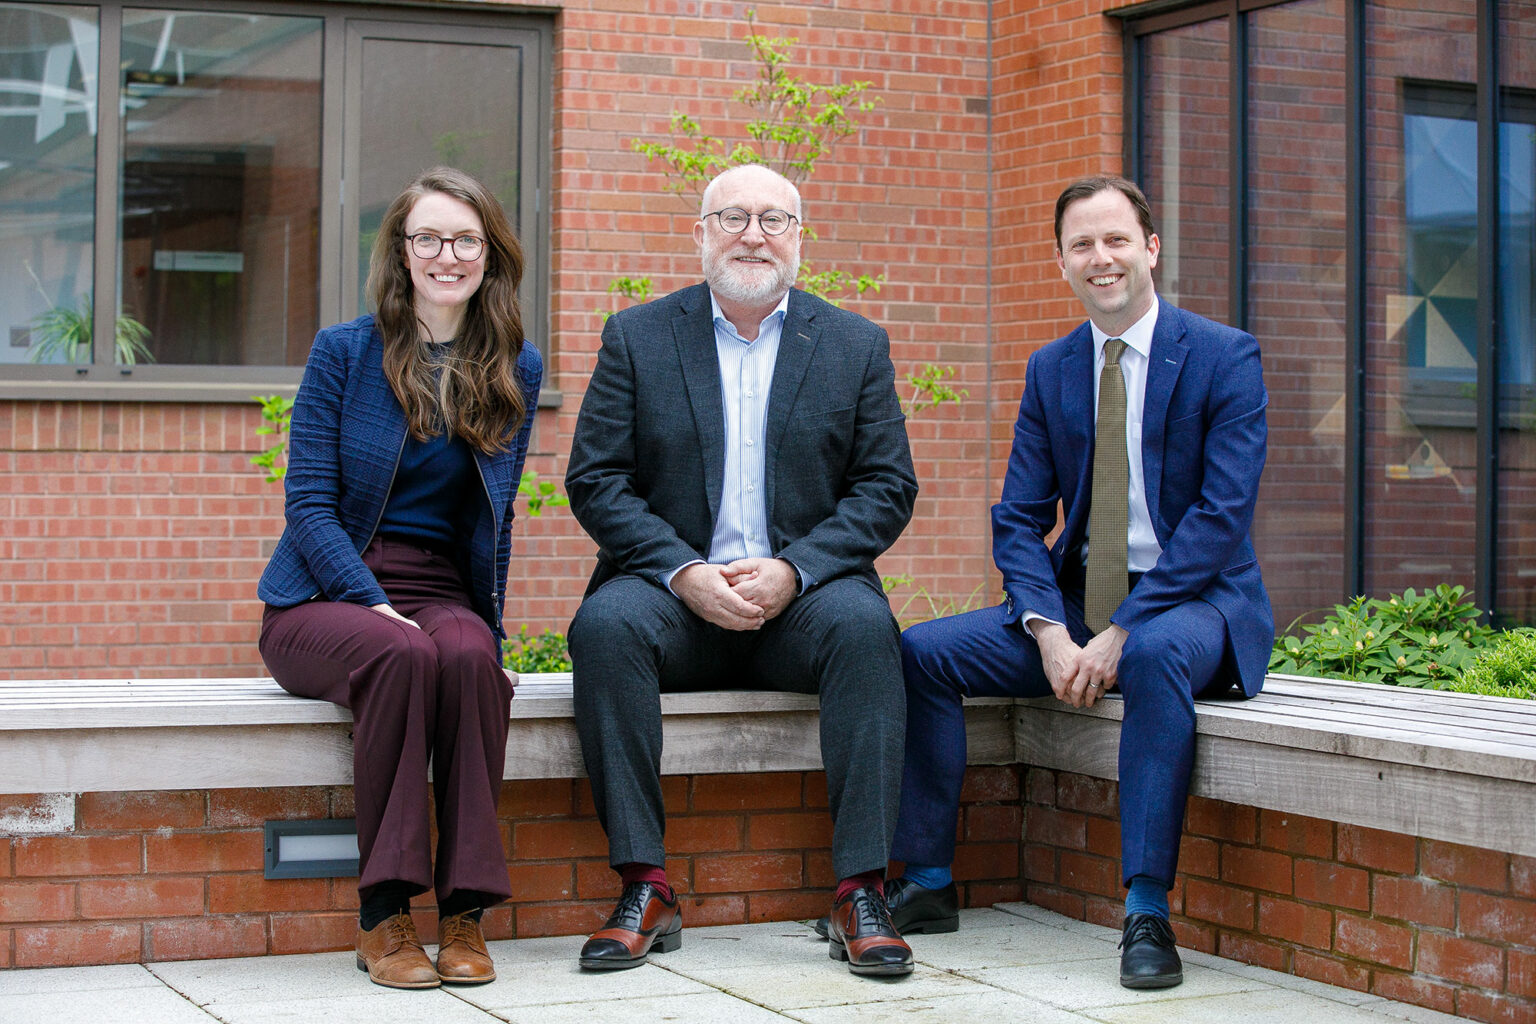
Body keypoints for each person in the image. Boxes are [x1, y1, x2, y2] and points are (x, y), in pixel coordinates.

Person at [886, 175, 1273, 989]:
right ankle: (925, 882)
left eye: (1117, 239)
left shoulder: (1223, 355)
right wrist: (1049, 631)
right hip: (1078, 603)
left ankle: (1146, 913)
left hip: (1194, 601)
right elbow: (1018, 519)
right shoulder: (1053, 367)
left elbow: (1219, 519)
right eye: (1082, 244)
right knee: (923, 653)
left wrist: (1122, 630)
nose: (1102, 258)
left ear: (1151, 248)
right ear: (1061, 261)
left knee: (1152, 655)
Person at [564, 164, 919, 977]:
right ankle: (646, 885)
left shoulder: (854, 344)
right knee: (605, 628)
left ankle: (861, 892)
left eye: (773, 220)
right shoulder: (637, 337)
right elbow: (597, 480)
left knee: (867, 629)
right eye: (733, 217)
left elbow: (887, 487)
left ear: (799, 238)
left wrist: (797, 569)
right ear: (700, 234)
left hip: (804, 603)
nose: (753, 235)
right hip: (674, 601)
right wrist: (683, 570)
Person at [256, 166, 542, 990]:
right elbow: (309, 506)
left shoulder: (514, 366)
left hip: (437, 590)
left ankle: (464, 914)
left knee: (469, 660)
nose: (447, 255)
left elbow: (494, 519)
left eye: (465, 240)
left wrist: (489, 631)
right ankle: (383, 915)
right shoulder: (345, 353)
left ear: (490, 254)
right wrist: (372, 601)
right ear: (402, 251)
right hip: (322, 595)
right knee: (403, 652)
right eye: (429, 238)